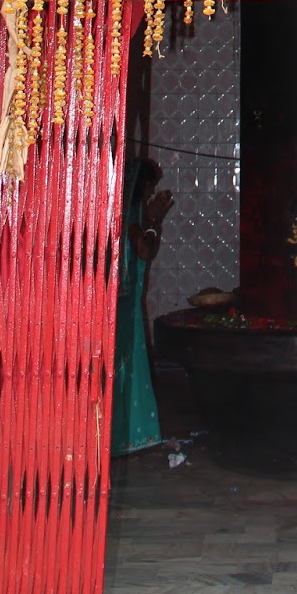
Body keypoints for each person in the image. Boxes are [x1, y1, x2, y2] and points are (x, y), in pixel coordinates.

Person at [111, 158, 174, 456]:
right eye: (149, 186)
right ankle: (123, 437)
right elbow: (145, 250)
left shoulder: (122, 209)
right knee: (124, 364)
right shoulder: (130, 214)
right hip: (122, 302)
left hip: (125, 299)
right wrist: (154, 221)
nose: (151, 192)